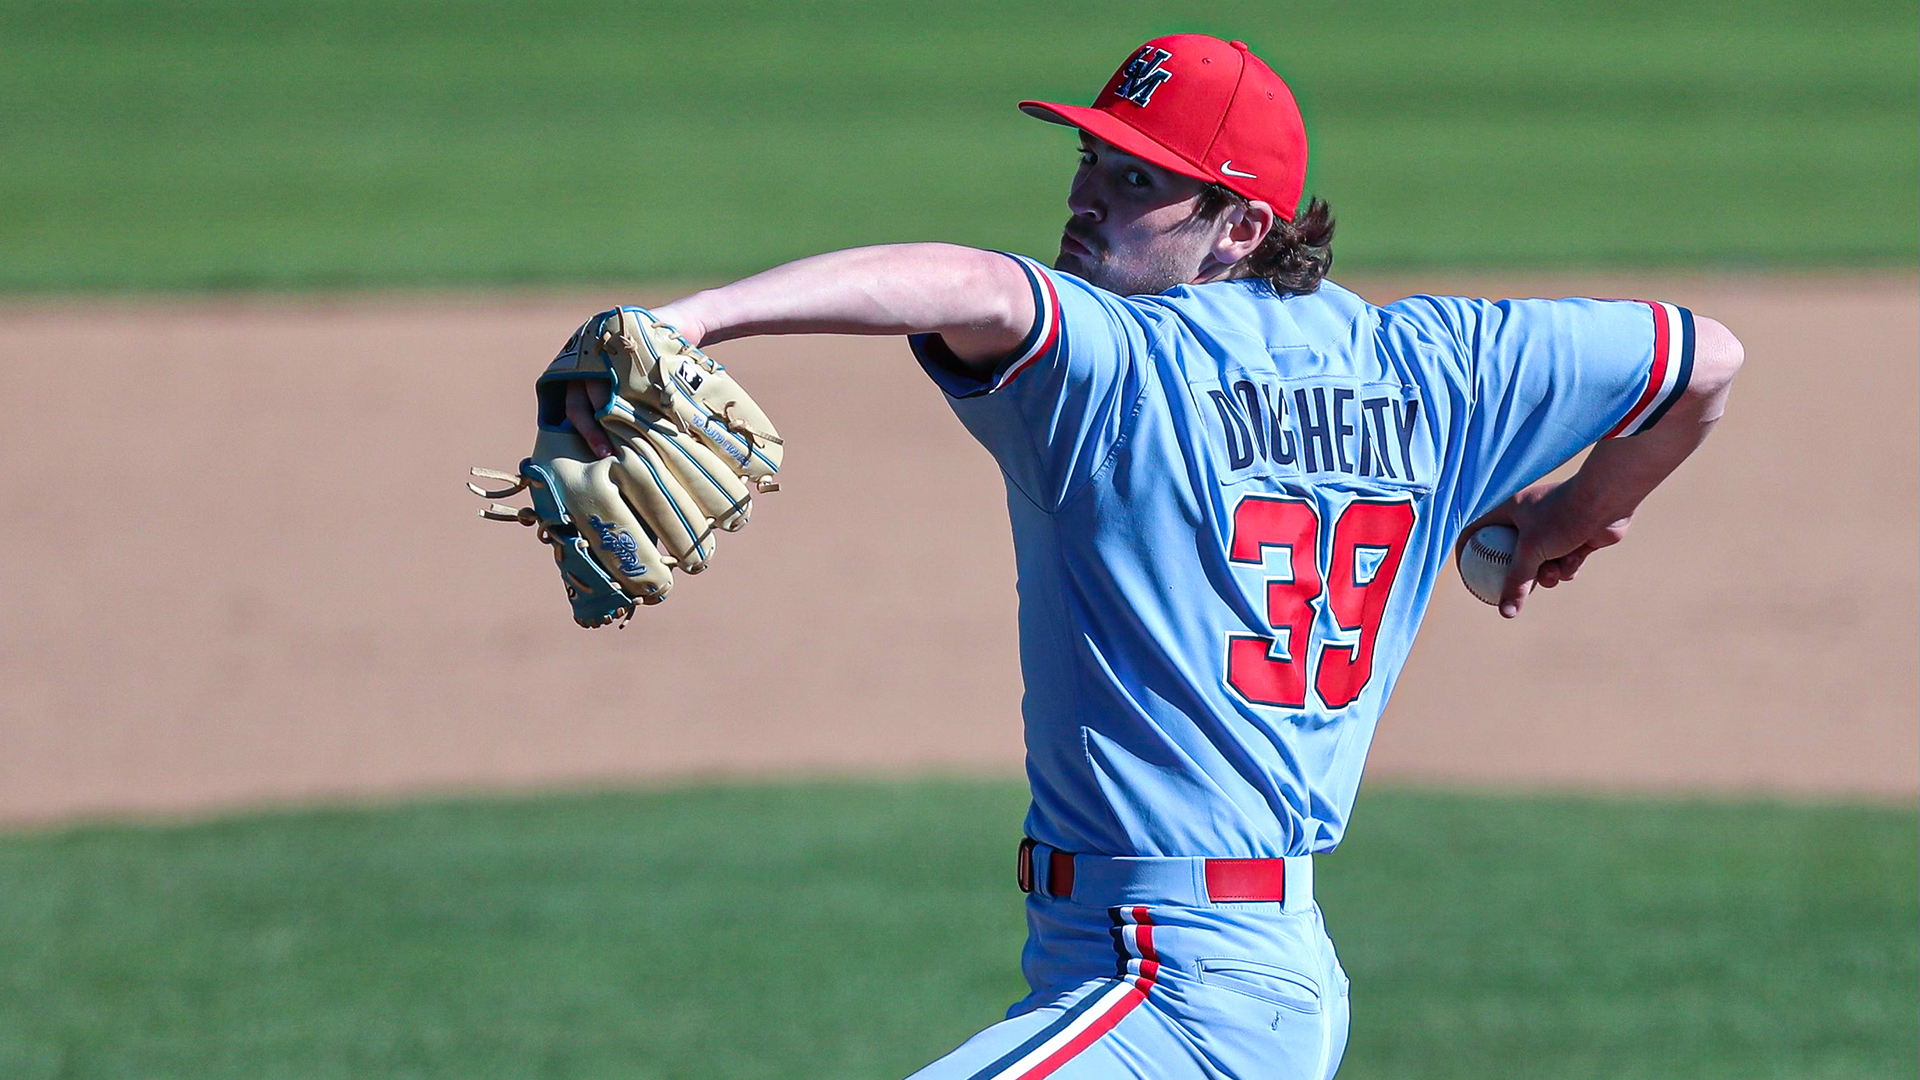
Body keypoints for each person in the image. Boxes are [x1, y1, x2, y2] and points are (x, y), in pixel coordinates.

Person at [561, 33, 1743, 1080]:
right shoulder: (1432, 366)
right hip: (1231, 970)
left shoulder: (1124, 369)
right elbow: (1703, 361)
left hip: (1175, 986)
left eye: (1139, 182)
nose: (1089, 197)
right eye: (1089, 163)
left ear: (1242, 228)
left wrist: (695, 319)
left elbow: (969, 284)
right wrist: (1562, 521)